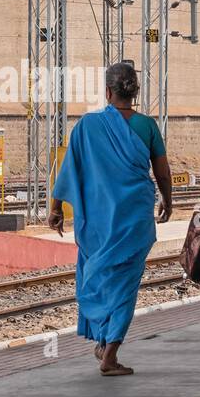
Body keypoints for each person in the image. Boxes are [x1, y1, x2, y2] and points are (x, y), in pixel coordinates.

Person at [49, 62, 172, 375]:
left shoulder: (88, 126)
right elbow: (161, 170)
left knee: (100, 278)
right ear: (135, 93)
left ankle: (106, 344)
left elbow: (68, 169)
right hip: (134, 221)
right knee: (125, 286)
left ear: (107, 91)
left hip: (98, 222)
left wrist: (55, 208)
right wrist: (167, 202)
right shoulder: (147, 126)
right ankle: (109, 352)